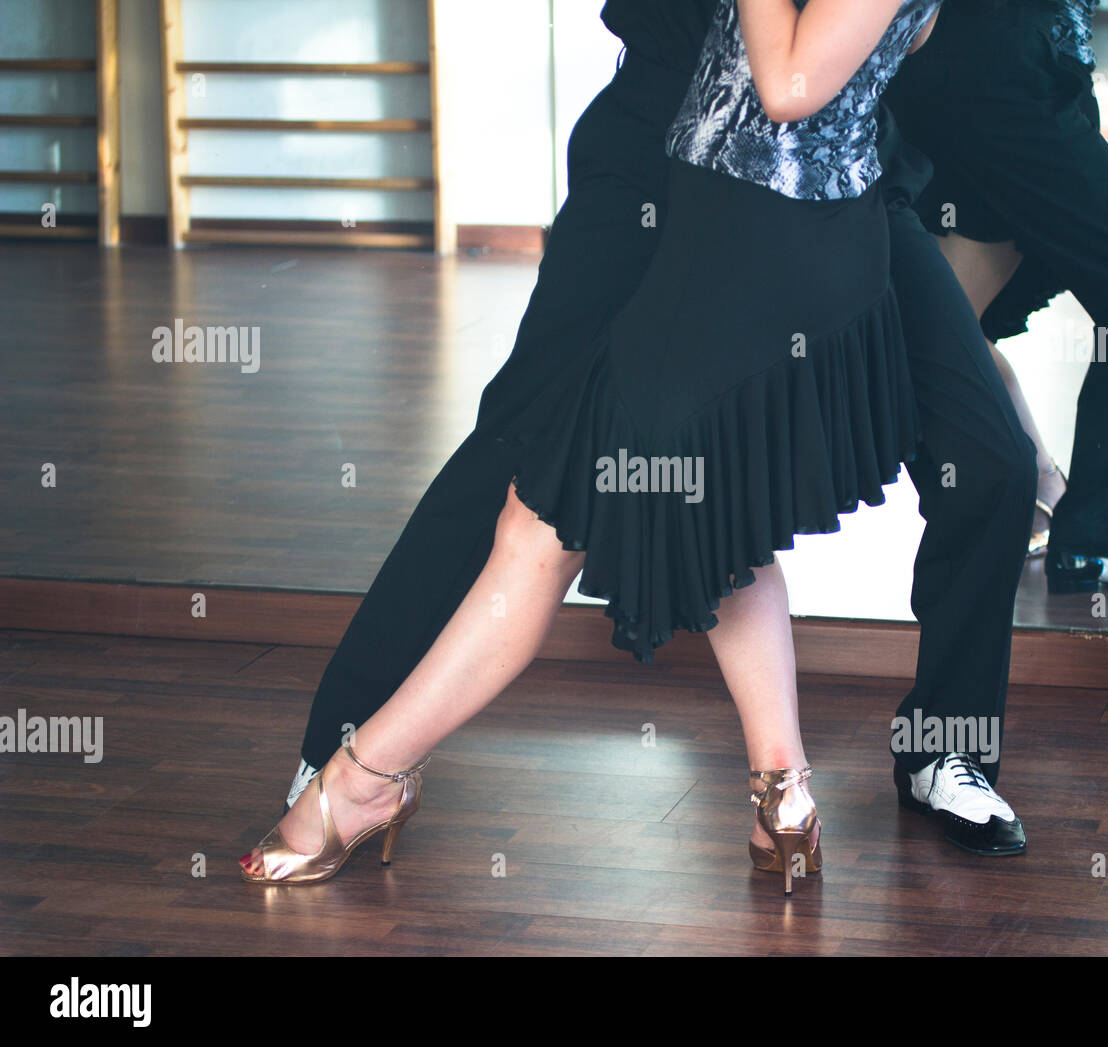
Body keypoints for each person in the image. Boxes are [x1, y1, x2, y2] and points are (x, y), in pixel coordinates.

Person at [260, 0, 1036, 884]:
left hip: (833, 173)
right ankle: (347, 748)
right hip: (661, 149)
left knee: (992, 459)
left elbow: (844, 62)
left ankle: (942, 747)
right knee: (525, 445)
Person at [885, 0, 1108, 591]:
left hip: (976, 69)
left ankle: (1033, 498)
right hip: (1002, 74)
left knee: (943, 328)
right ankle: (1089, 541)